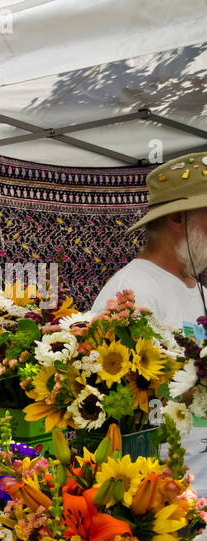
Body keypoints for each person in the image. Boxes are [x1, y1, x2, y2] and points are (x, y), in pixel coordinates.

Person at [90, 151, 207, 492]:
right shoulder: (133, 291)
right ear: (178, 218)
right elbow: (118, 404)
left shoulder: (199, 290)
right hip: (163, 502)